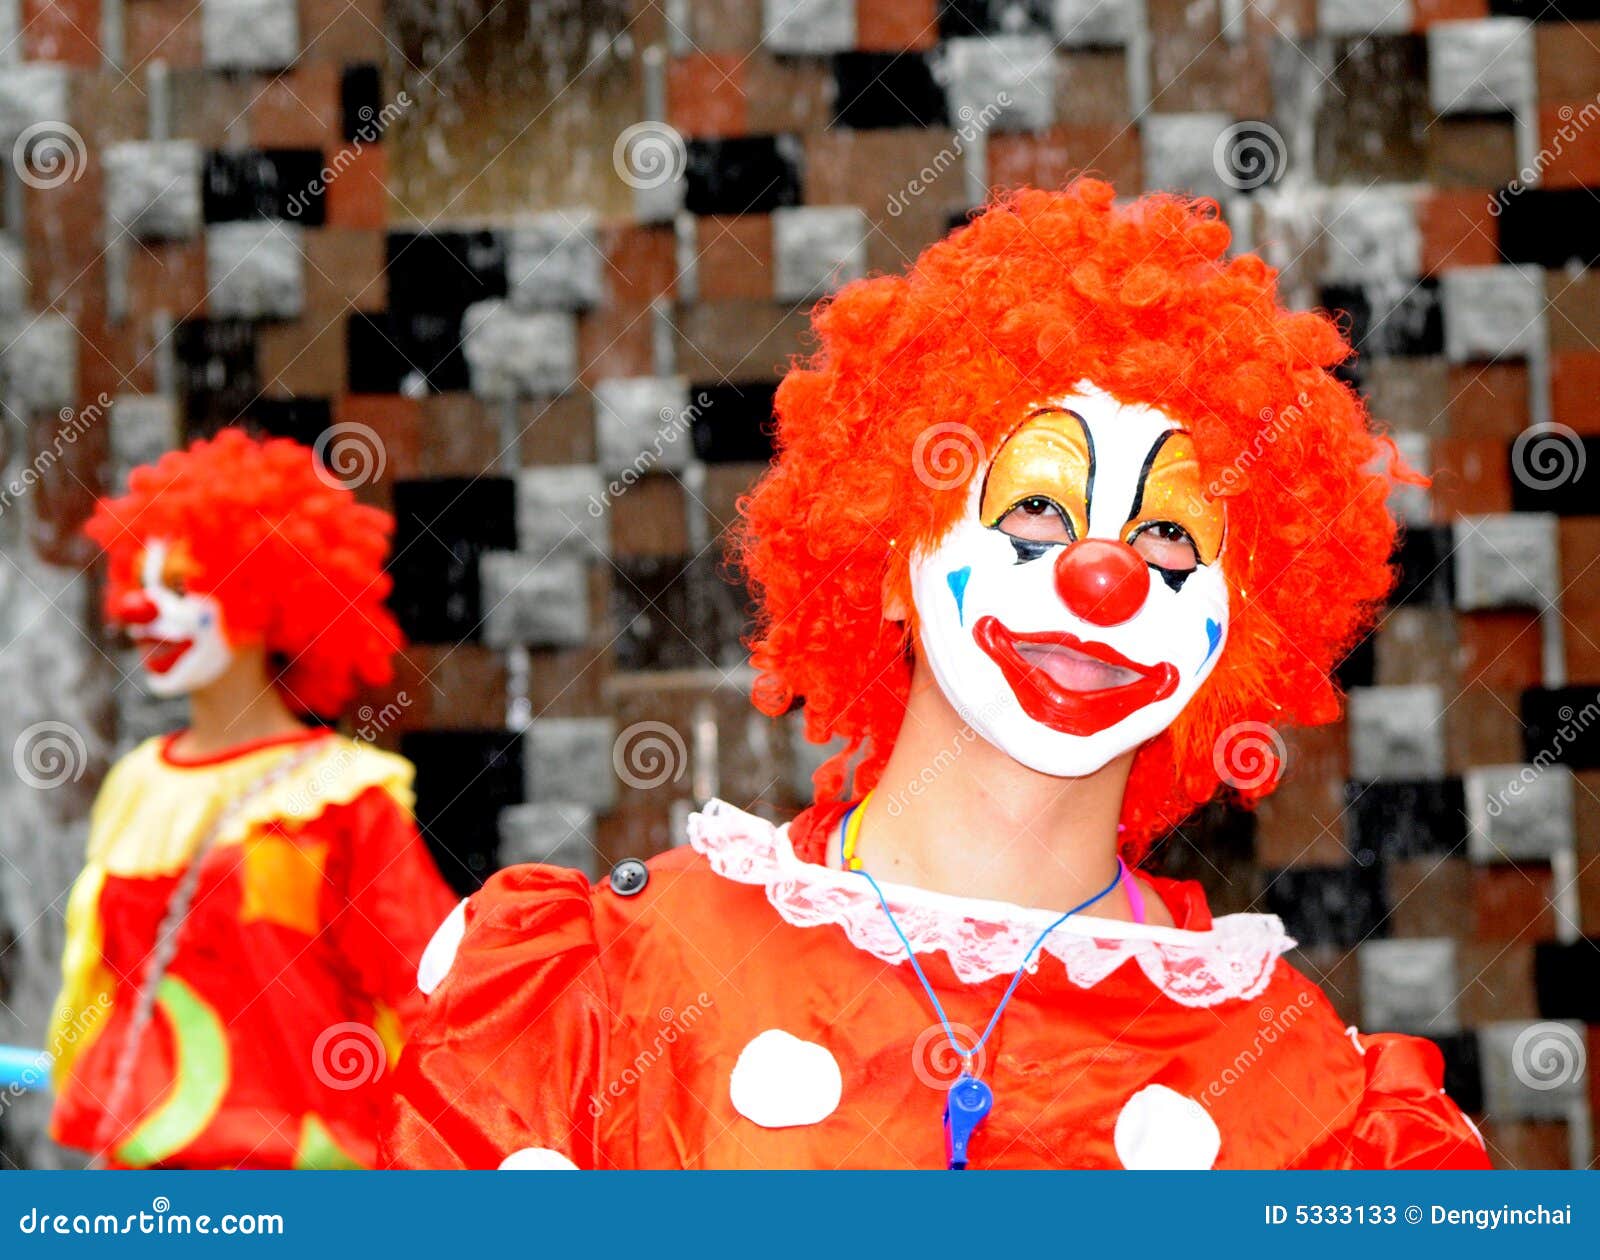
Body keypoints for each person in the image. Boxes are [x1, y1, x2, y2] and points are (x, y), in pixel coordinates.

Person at [384, 182, 1490, 1170]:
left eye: (1167, 540)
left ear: (1239, 628)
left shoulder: (1314, 1109)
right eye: (1035, 511)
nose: (1101, 579)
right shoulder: (606, 986)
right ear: (889, 561)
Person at [48, 429, 457, 1169]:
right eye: (138, 585)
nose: (143, 610)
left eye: (179, 586)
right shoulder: (138, 782)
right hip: (146, 1179)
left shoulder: (345, 796)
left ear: (265, 596)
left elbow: (429, 994)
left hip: (309, 1183)